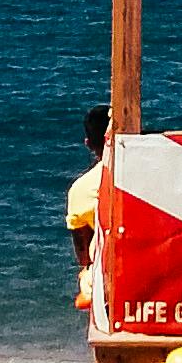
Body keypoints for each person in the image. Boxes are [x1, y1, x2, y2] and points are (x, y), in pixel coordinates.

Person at [67, 104, 108, 323]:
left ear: (89, 144)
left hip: (113, 281)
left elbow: (84, 254)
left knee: (88, 276)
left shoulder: (82, 190)